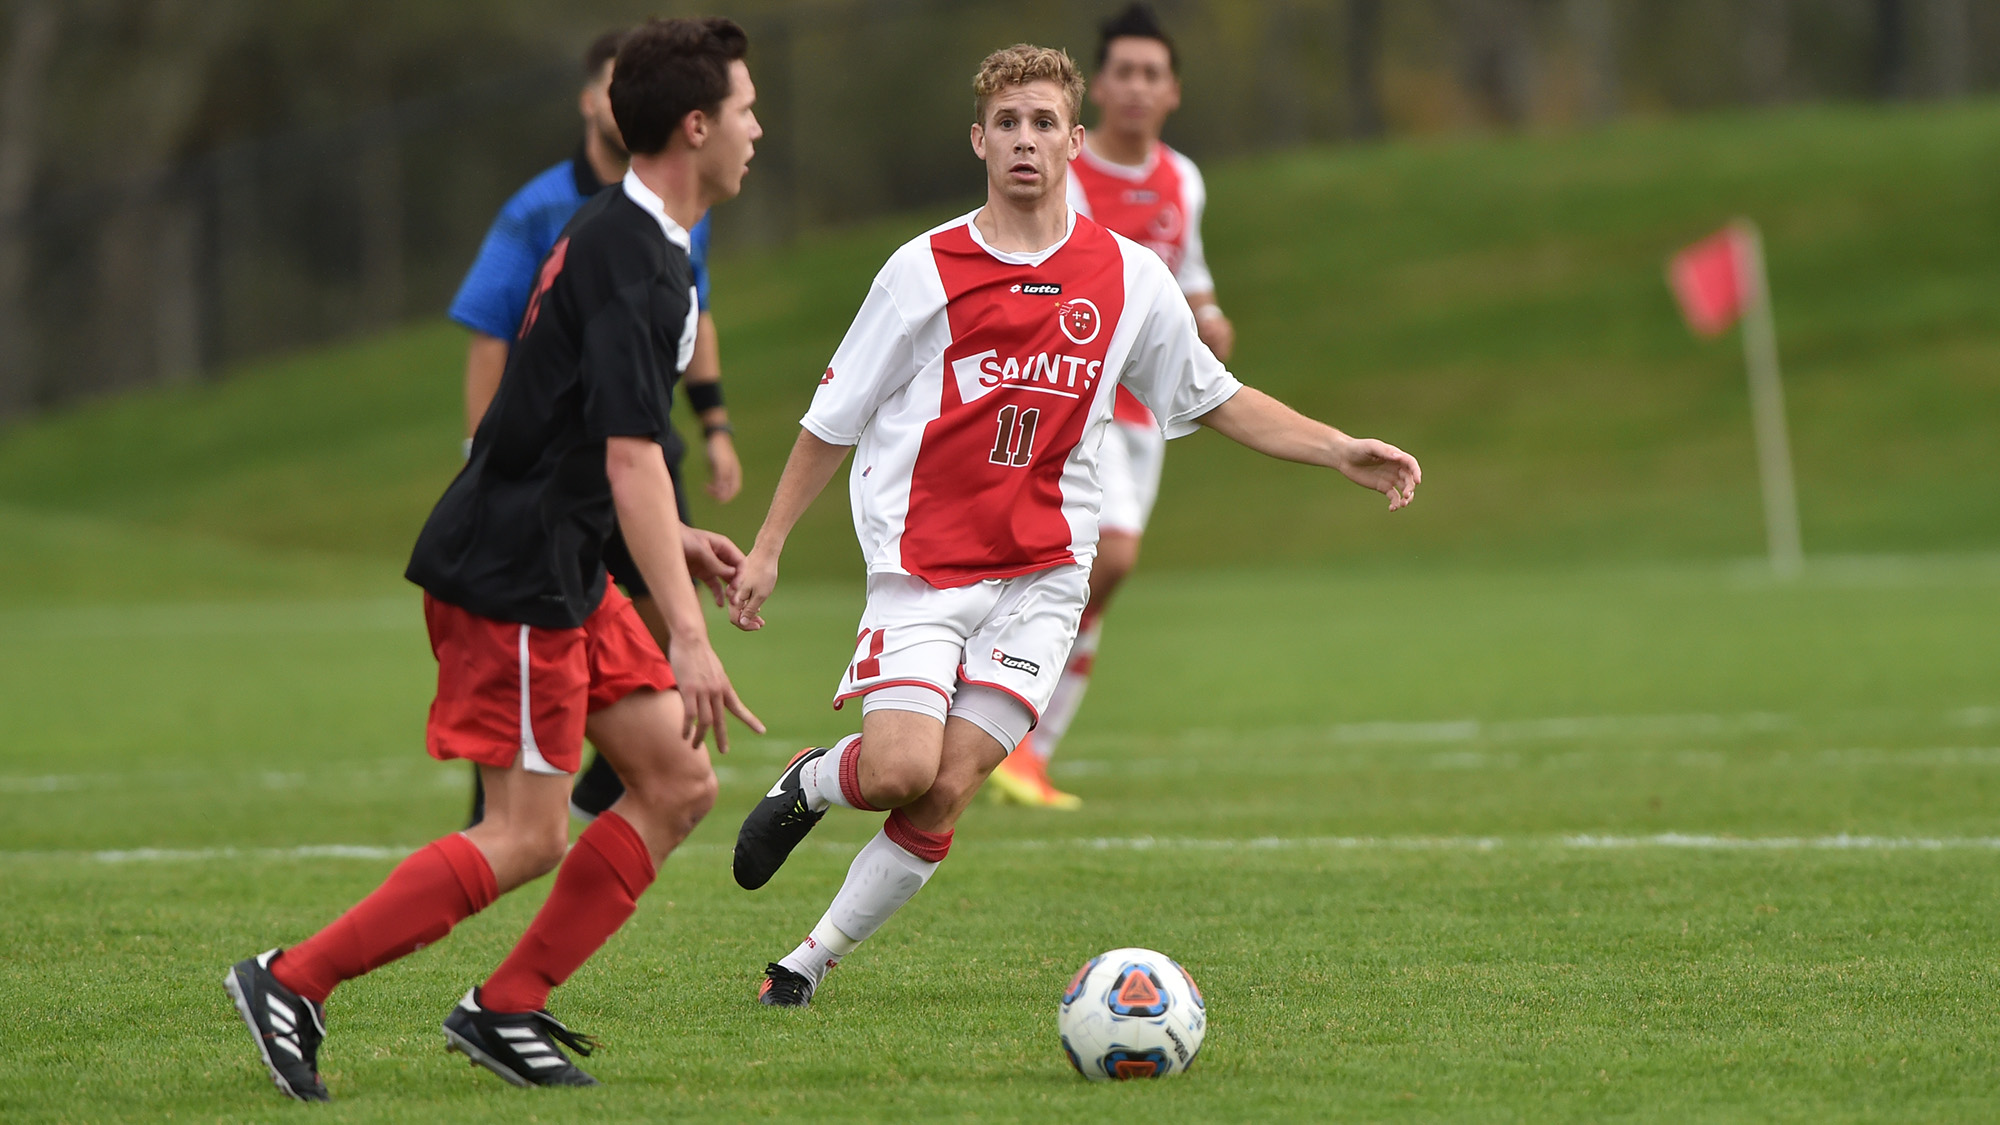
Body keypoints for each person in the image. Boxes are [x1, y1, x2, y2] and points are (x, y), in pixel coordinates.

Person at [724, 44, 1419, 1009]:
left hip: (1045, 579)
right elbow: (830, 420)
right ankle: (812, 781)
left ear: (1074, 142)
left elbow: (1216, 397)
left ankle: (807, 962)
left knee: (944, 789)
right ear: (978, 140)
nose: (1025, 140)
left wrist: (1340, 448)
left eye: (1044, 122)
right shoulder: (923, 269)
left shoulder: (1128, 277)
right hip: (925, 568)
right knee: (895, 769)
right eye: (1007, 123)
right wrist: (767, 546)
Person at [224, 19, 765, 1099]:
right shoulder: (633, 259)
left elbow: (591, 442)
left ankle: (507, 1006)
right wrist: (690, 636)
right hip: (515, 574)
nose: (760, 130)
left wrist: (669, 536)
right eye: (748, 110)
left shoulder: (648, 242)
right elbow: (623, 457)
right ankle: (293, 980)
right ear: (696, 127)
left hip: (563, 556)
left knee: (674, 780)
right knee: (523, 834)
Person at [449, 27, 744, 828]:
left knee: (653, 647)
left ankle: (591, 800)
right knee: (600, 636)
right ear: (596, 101)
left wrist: (715, 425)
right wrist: (485, 460)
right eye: (745, 111)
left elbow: (697, 314)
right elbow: (488, 331)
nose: (752, 130)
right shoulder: (550, 210)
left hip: (641, 449)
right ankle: (507, 815)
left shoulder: (687, 203)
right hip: (572, 466)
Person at [988, 2, 1227, 810]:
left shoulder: (1181, 180)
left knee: (1087, 579)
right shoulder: (1068, 173)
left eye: (1150, 74)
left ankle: (1025, 749)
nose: (1135, 86)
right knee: (1109, 558)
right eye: (1121, 71)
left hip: (1147, 414)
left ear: (1173, 92)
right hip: (1073, 403)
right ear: (1099, 91)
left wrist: (1210, 318)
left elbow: (1186, 276)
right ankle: (1009, 735)